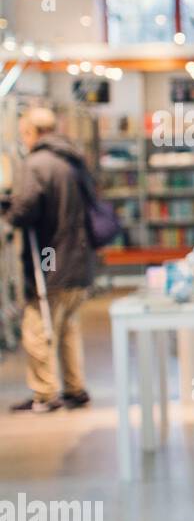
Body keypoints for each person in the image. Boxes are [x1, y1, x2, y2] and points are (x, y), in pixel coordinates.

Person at [4, 106, 95, 413]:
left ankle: (44, 393)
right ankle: (74, 387)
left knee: (37, 326)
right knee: (67, 325)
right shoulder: (72, 159)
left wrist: (8, 209)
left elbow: (25, 209)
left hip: (50, 262)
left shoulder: (37, 163)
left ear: (32, 132)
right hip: (78, 260)